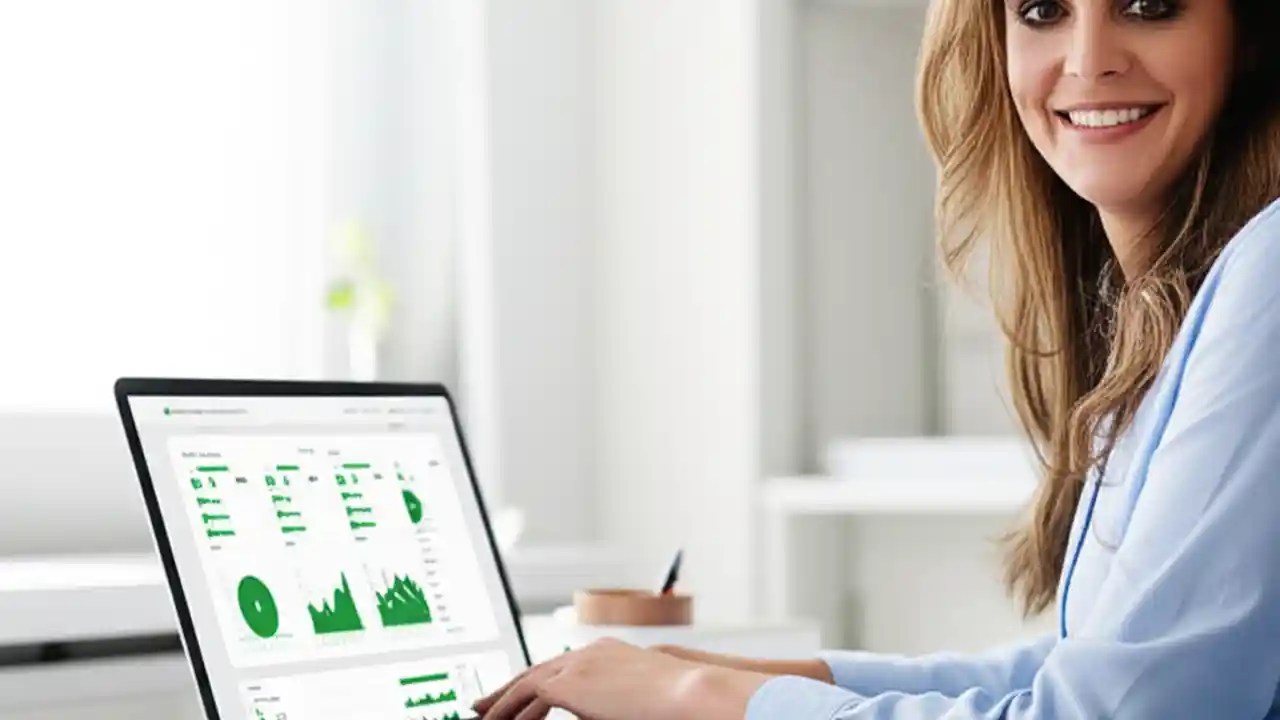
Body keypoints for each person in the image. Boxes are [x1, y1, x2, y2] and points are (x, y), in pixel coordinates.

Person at [474, 0, 1280, 716]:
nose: (1087, 59)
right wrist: (719, 673)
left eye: (1150, 5)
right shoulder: (1176, 309)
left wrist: (703, 698)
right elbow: (1082, 674)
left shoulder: (1270, 270)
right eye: (1041, 11)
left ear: (1246, 35)